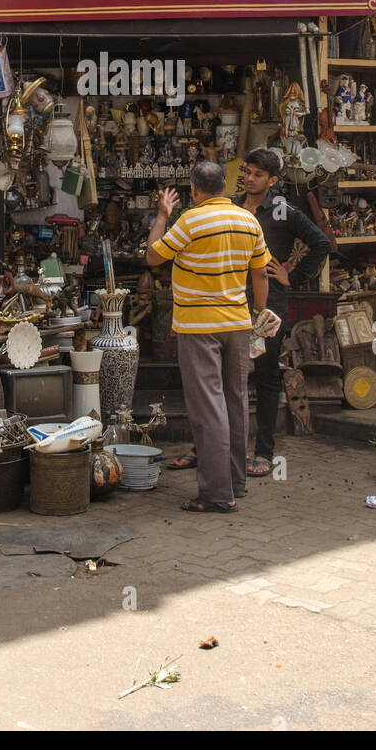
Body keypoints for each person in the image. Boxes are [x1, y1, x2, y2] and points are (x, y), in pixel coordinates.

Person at [146, 160, 271, 512]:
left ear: (195, 190)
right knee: (236, 401)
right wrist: (259, 313)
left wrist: (161, 215)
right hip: (239, 324)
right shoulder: (248, 220)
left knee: (209, 407)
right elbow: (260, 274)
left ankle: (217, 495)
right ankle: (235, 483)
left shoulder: (191, 219)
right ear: (224, 187)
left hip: (199, 327)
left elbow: (153, 256)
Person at [237, 148, 332, 477]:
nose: (250, 178)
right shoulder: (232, 207)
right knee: (223, 376)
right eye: (247, 172)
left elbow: (322, 243)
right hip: (232, 303)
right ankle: (214, 449)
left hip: (269, 307)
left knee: (265, 377)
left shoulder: (282, 210)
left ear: (273, 180)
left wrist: (294, 274)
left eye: (258, 174)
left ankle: (263, 452)